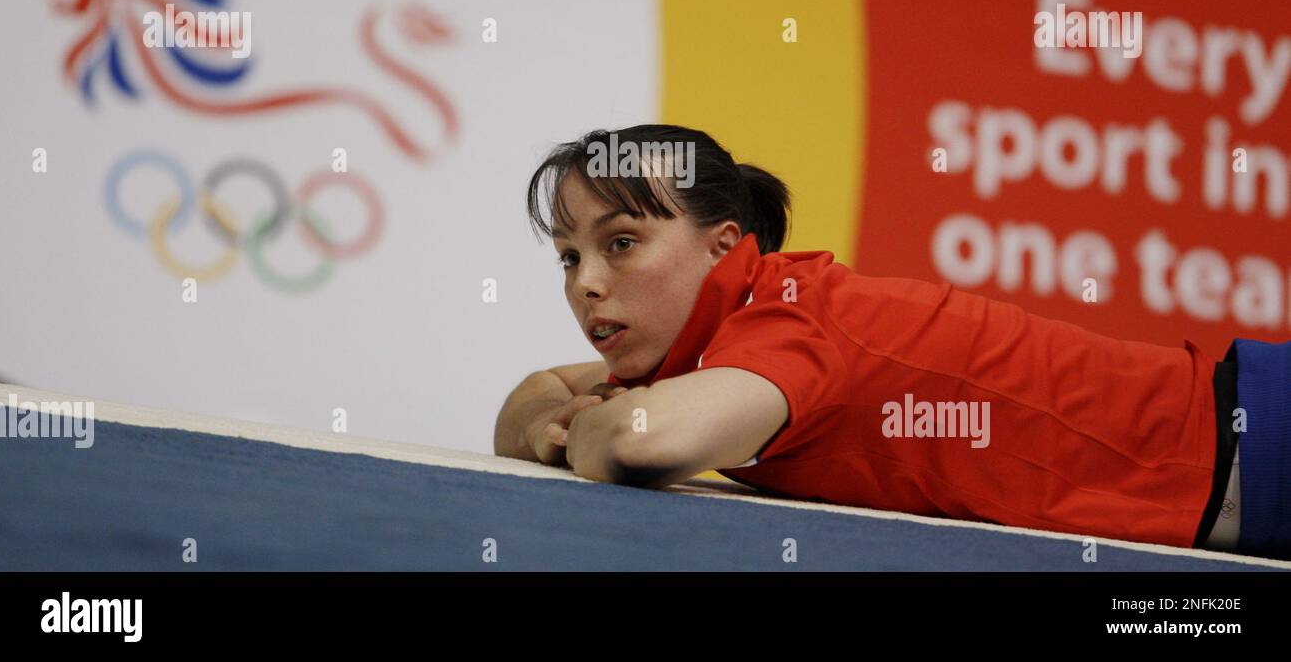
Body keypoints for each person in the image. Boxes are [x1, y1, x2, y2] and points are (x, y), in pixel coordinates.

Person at [494, 124, 1285, 561]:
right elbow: (536, 393)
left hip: (1261, 437)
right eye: (570, 257)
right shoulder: (714, 347)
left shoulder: (788, 323)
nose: (586, 282)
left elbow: (643, 442)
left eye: (621, 242)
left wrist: (593, 427)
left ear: (721, 245)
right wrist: (544, 423)